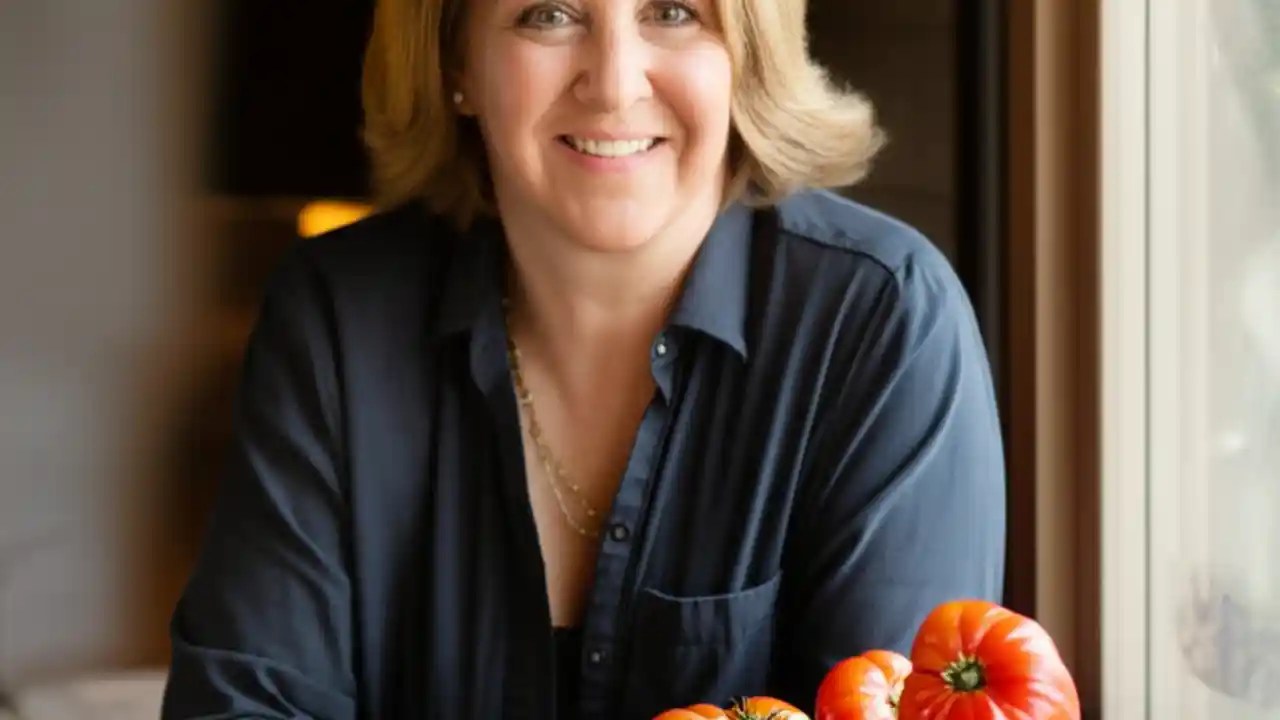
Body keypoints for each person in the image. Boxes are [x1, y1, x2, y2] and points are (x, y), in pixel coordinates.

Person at [161, 0, 1006, 717]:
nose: (614, 82)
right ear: (456, 58)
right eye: (549, 14)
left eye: (673, 12)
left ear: (746, 54)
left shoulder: (882, 320)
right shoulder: (337, 319)